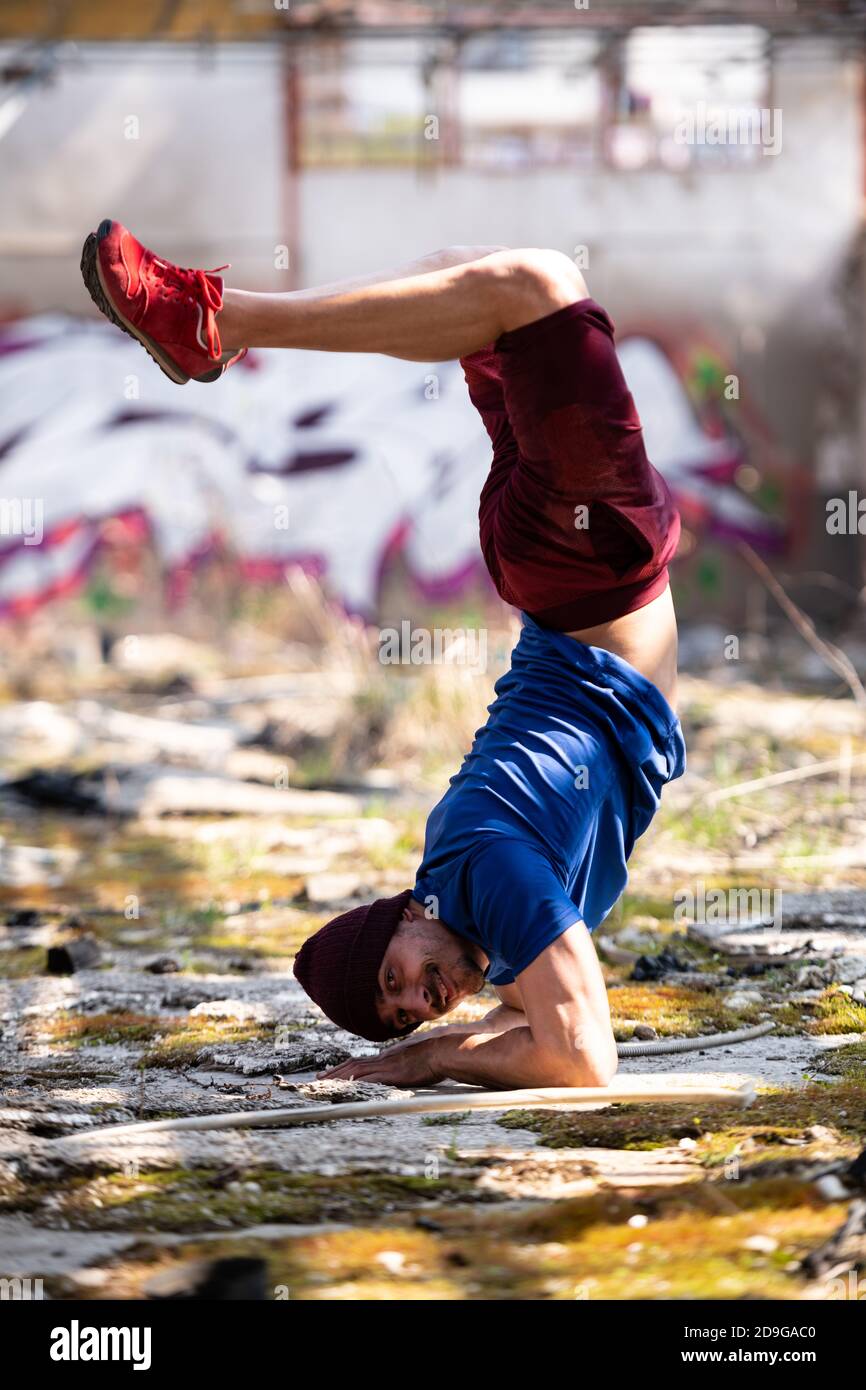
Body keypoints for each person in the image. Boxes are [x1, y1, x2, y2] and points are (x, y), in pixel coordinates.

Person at [81, 222, 685, 1090]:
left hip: (589, 569)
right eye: (411, 1009)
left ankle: (219, 320)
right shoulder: (486, 921)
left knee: (534, 283)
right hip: (559, 576)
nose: (425, 995)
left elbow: (582, 1061)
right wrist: (399, 1061)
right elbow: (525, 1023)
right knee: (468, 283)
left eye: (393, 976)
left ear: (404, 914)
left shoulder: (490, 872)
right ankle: (225, 325)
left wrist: (417, 1063)